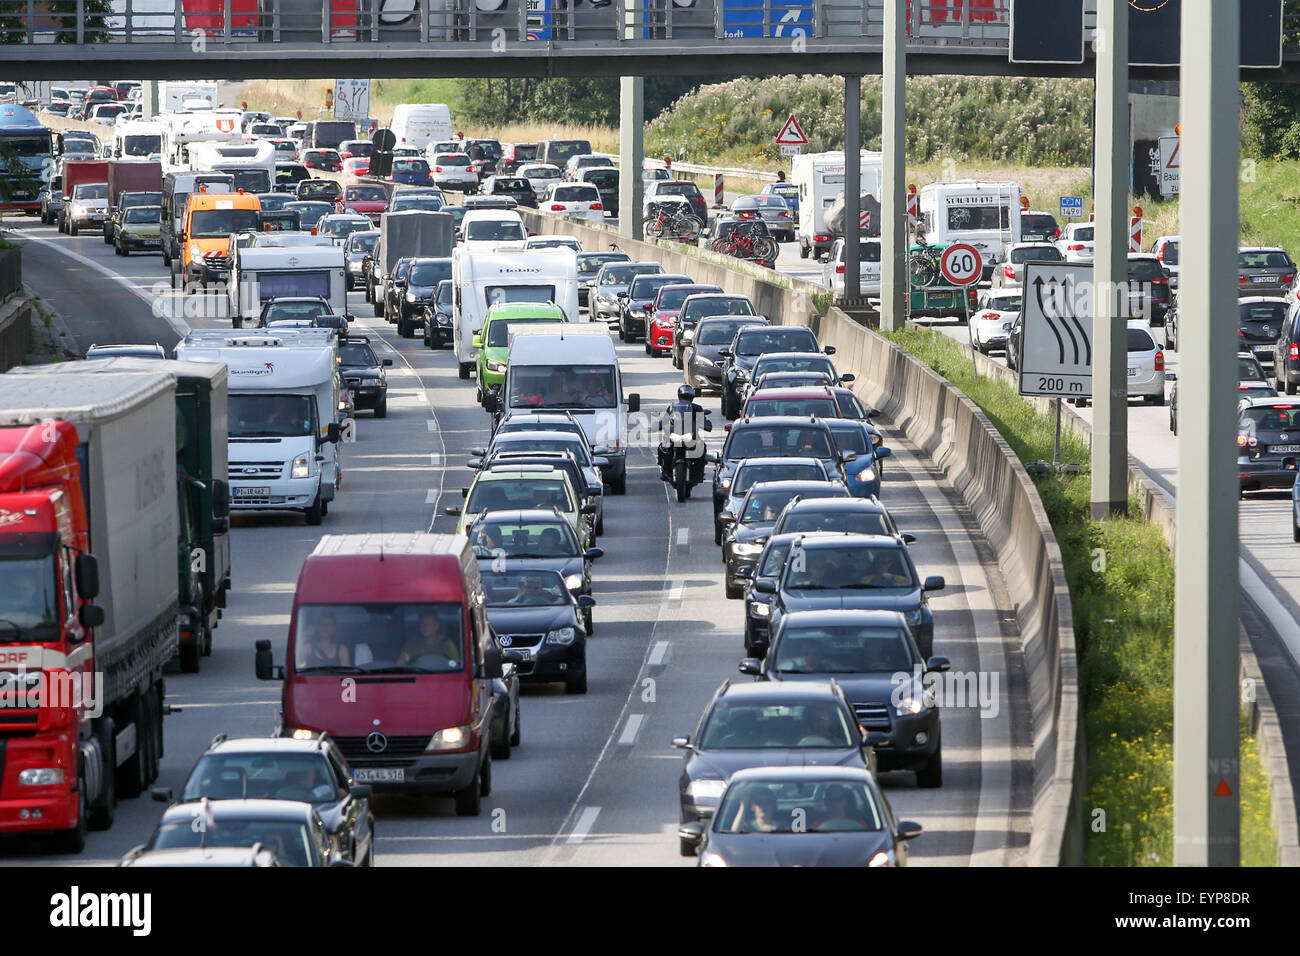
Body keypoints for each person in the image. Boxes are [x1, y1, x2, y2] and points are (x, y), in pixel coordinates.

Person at [658, 385, 709, 482]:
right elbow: (665, 418)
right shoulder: (672, 407)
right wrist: (660, 424)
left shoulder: (697, 408)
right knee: (663, 447)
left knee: (702, 447)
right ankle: (665, 470)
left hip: (691, 435)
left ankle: (699, 472)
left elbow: (702, 419)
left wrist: (705, 424)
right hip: (675, 434)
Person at [396, 611, 460, 667]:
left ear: (436, 625)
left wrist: (448, 663)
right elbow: (400, 664)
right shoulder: (411, 644)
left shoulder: (447, 645)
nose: (425, 626)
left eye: (429, 623)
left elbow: (455, 665)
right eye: (422, 623)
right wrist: (403, 660)